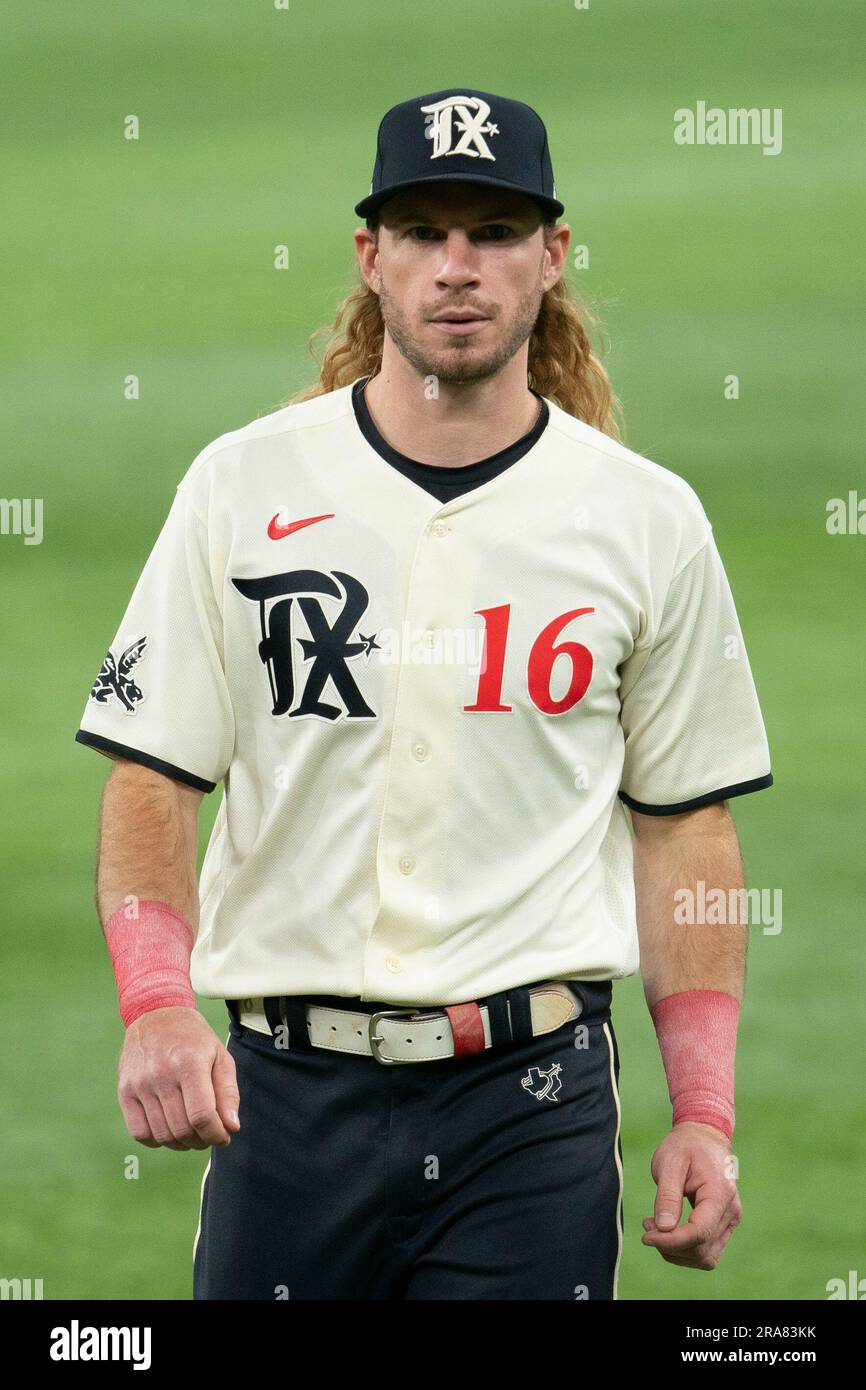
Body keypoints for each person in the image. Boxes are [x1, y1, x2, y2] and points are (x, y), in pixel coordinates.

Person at [76, 88, 772, 1300]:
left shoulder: (643, 518)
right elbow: (154, 771)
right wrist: (154, 1006)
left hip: (532, 1107)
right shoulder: (240, 486)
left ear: (551, 256)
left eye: (495, 232)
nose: (459, 267)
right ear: (371, 257)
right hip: (283, 1103)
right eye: (424, 231)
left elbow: (685, 825)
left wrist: (701, 1109)